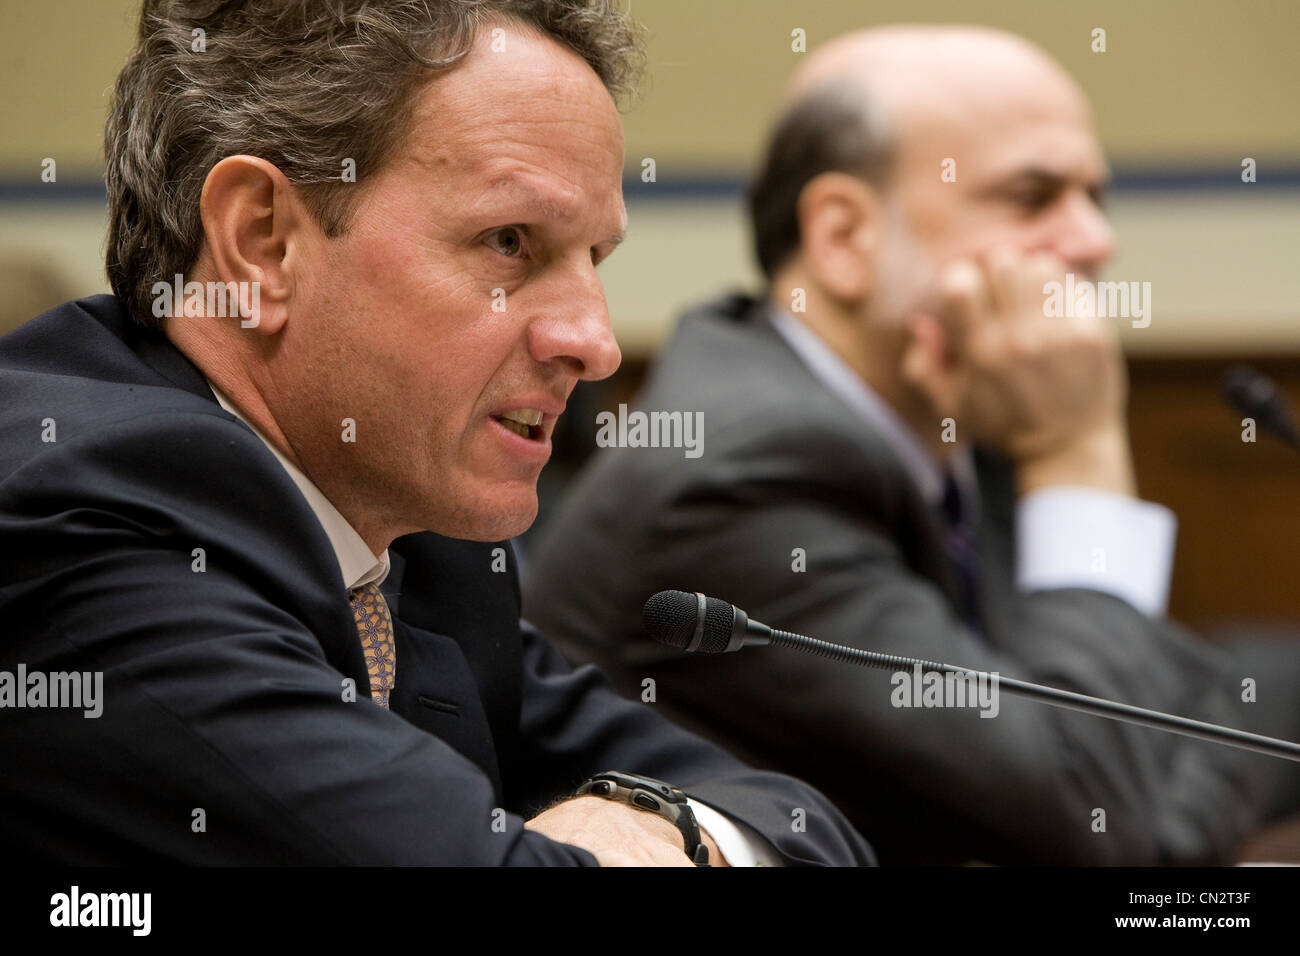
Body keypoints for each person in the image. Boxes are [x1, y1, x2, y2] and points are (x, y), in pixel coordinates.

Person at [0, 0, 876, 868]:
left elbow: (806, 829)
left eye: (595, 260)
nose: (597, 344)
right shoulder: (78, 520)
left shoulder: (405, 533)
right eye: (509, 242)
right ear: (261, 242)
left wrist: (665, 827)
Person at [522, 24, 1300, 864]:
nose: (1092, 242)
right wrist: (1077, 451)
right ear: (844, 237)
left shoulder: (961, 410)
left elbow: (1132, 720)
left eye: (1094, 199)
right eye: (1033, 197)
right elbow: (1099, 818)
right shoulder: (739, 472)